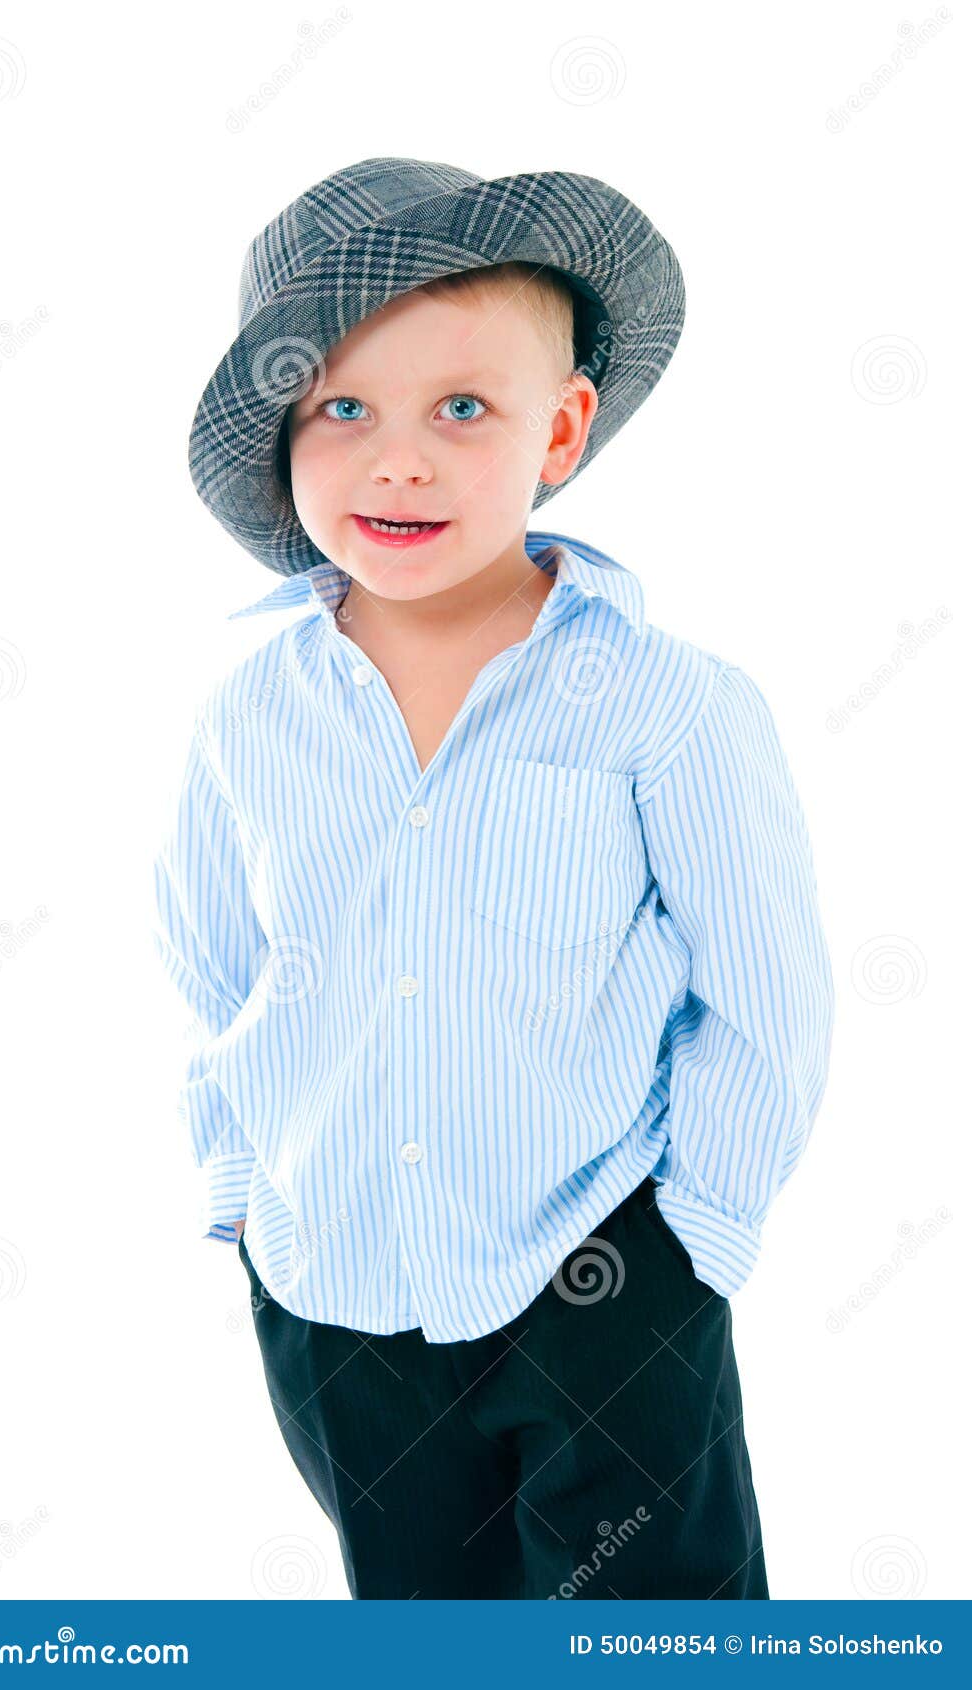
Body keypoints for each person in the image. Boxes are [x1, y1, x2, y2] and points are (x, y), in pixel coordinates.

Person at [151, 157, 835, 1600]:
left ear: (562, 428)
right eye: (342, 407)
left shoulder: (664, 702)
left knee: (659, 1626)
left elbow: (764, 989)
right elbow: (215, 963)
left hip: (599, 1275)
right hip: (334, 1285)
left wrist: (690, 1240)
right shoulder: (248, 717)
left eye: (462, 408)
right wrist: (245, 1196)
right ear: (282, 433)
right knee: (426, 1624)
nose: (399, 459)